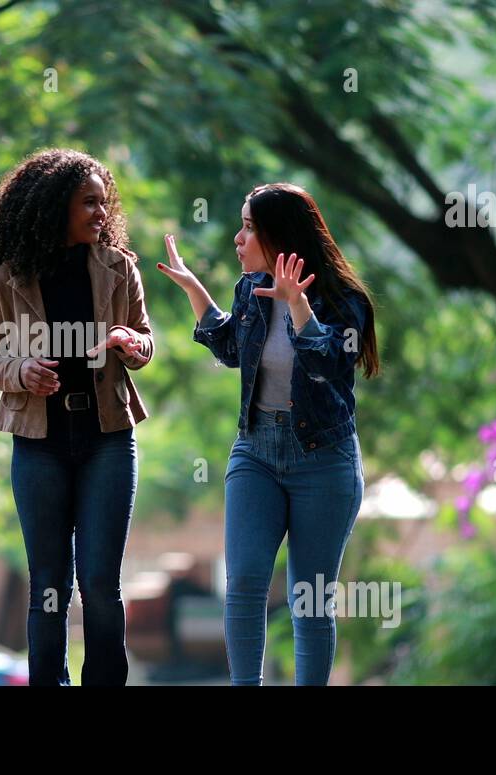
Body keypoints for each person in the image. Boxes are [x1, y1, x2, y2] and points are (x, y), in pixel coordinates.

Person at [155, 182, 380, 685]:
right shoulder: (249, 290)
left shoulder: (344, 300)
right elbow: (234, 349)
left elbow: (328, 365)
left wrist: (298, 305)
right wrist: (196, 290)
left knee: (311, 599)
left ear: (281, 236)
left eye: (250, 228)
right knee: (245, 582)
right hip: (255, 450)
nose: (237, 238)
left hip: (323, 460)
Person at [0, 148, 154, 685]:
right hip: (39, 442)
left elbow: (145, 342)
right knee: (48, 581)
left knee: (99, 581)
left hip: (107, 437)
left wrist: (130, 343)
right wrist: (21, 371)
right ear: (55, 209)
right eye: (87, 203)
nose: (101, 213)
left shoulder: (119, 269)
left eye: (103, 202)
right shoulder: (6, 279)